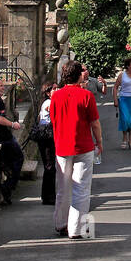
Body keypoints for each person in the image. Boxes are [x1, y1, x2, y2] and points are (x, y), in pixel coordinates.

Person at [49, 58, 102, 238]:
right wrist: (99, 142)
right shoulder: (86, 95)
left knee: (63, 187)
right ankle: (76, 228)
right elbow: (95, 123)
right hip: (83, 146)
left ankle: (60, 223)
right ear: (79, 75)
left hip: (62, 146)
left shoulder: (56, 96)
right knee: (82, 188)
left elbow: (53, 120)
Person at [33, 82, 57, 205]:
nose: (57, 90)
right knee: (49, 166)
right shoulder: (49, 103)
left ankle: (48, 195)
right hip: (47, 137)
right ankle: (48, 197)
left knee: (50, 166)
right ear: (48, 93)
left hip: (45, 135)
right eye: (54, 88)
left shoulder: (46, 103)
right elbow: (56, 117)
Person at [112, 58, 131, 149]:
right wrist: (115, 100)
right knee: (125, 120)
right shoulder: (122, 75)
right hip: (124, 99)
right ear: (128, 66)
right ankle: (124, 139)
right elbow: (115, 87)